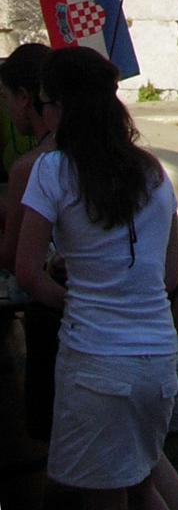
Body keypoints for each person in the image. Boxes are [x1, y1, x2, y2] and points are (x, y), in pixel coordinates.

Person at [15, 47, 178, 510]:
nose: (44, 116)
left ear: (63, 106)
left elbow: (27, 270)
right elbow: (167, 276)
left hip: (97, 361)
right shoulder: (154, 173)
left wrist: (75, 299)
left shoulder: (52, 170)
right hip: (159, 358)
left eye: (46, 105)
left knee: (103, 496)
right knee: (143, 486)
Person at [0, 43, 62, 453]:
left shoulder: (32, 168)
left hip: (56, 318)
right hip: (131, 334)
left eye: (5, 98)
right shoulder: (130, 167)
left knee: (58, 454)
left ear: (26, 98)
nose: (5, 110)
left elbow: (17, 263)